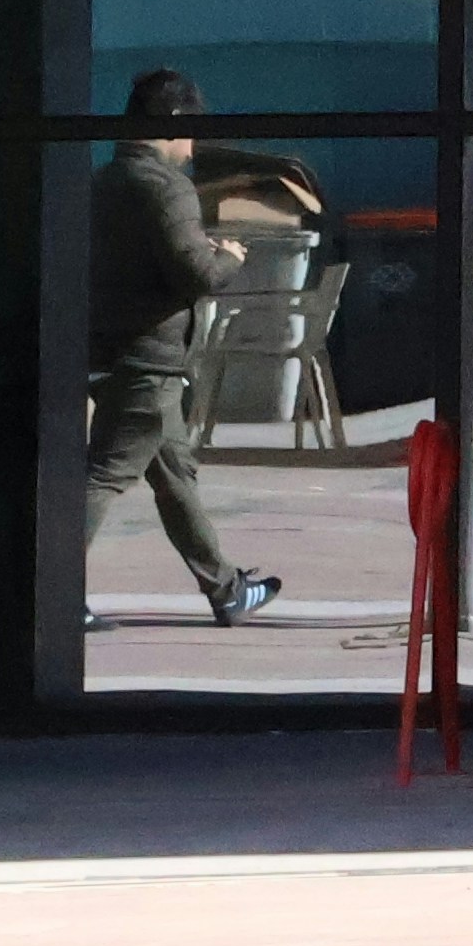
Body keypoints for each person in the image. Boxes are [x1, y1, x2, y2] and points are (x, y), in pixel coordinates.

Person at [85, 70, 272, 628]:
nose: (193, 149)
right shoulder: (166, 187)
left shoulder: (107, 179)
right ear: (171, 122)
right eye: (191, 133)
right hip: (151, 358)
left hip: (119, 346)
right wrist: (230, 257)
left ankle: (226, 588)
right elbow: (194, 274)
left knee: (173, 474)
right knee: (105, 474)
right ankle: (49, 589)